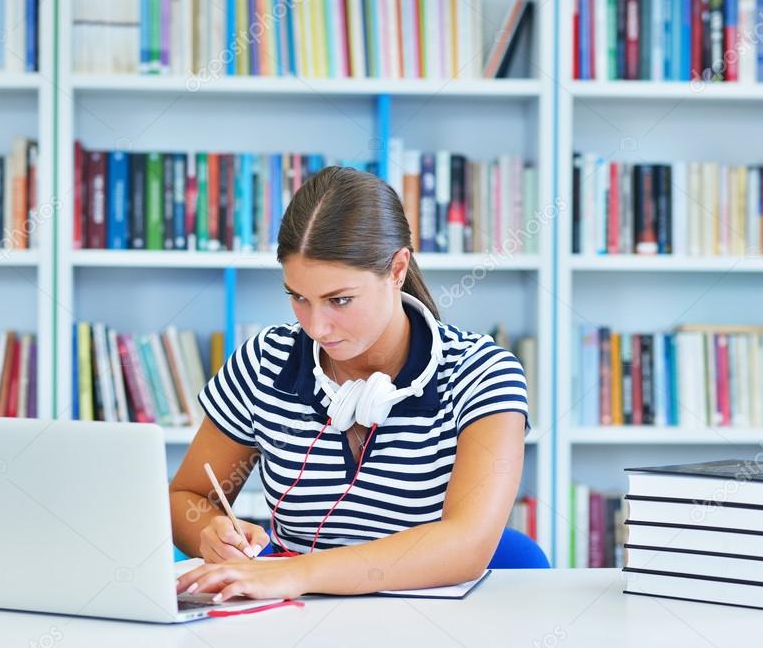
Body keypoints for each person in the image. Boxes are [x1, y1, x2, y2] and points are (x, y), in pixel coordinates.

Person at [171, 165, 529, 603]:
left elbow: (467, 546)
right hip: (291, 620)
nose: (317, 326)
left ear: (397, 269)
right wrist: (208, 531)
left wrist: (296, 573)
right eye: (298, 297)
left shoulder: (483, 374)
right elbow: (187, 496)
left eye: (339, 300)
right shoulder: (266, 361)